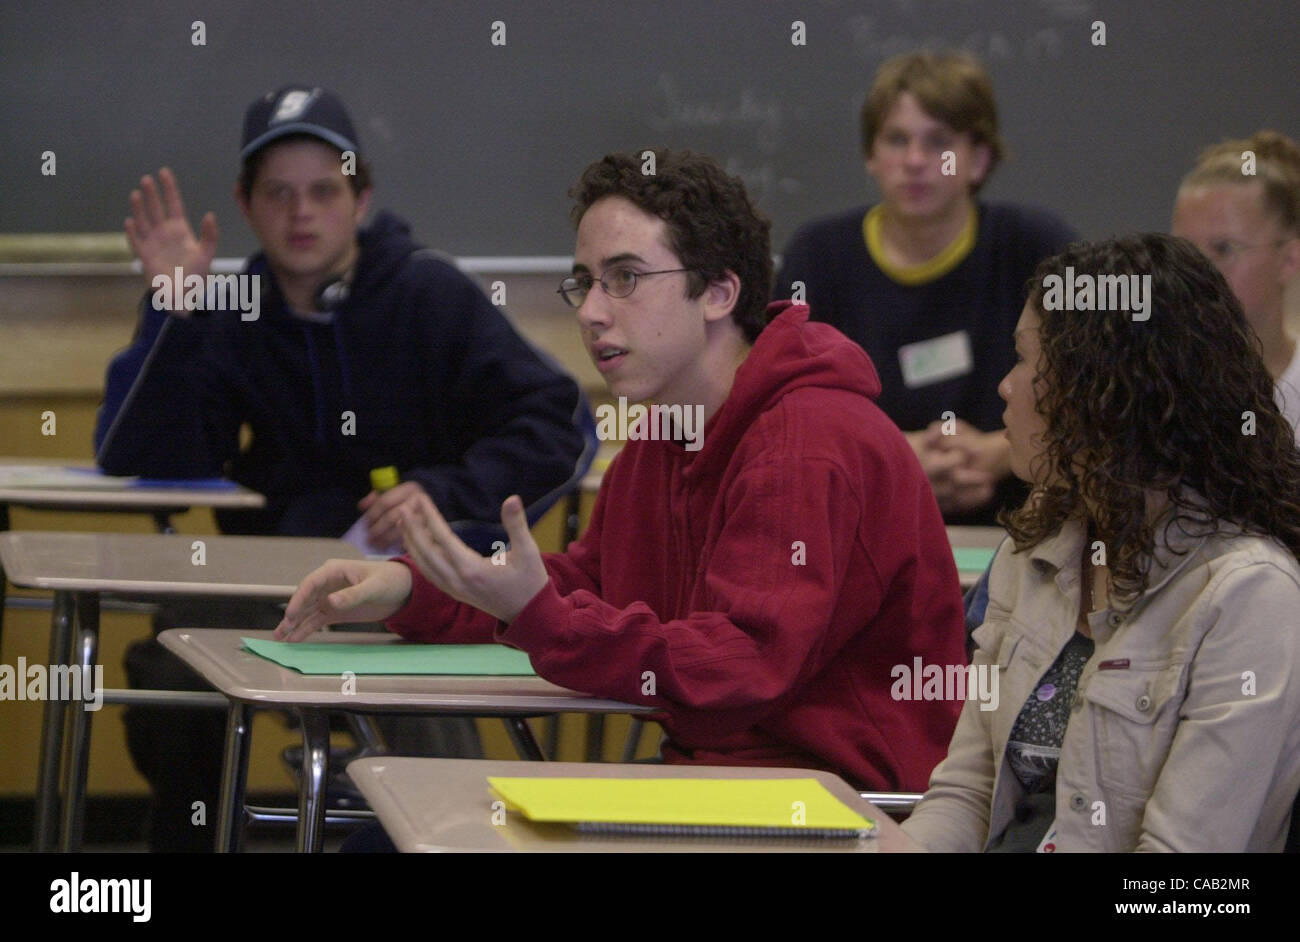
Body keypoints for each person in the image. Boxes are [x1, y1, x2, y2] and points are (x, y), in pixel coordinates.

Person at [277, 148, 968, 803]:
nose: (590, 312)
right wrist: (413, 588)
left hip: (842, 805)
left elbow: (739, 665)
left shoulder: (808, 444)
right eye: (585, 282)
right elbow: (592, 584)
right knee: (397, 831)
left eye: (626, 279)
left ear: (720, 292)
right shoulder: (664, 430)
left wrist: (538, 617)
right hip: (722, 780)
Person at [94, 85, 592, 851]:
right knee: (168, 670)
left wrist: (444, 492)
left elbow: (557, 419)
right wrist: (173, 309)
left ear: (361, 201)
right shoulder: (233, 308)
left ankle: (452, 838)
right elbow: (140, 455)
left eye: (324, 191)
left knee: (421, 705)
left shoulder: (429, 292)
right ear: (245, 204)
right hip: (273, 584)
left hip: (408, 588)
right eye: (278, 194)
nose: (302, 214)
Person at [902, 233, 1300, 852]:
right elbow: (968, 795)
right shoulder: (1034, 549)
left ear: (1103, 394)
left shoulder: (1248, 595)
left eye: (1025, 361)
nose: (1006, 387)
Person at [776, 50, 1076, 525]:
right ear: (871, 156)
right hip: (863, 524)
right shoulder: (819, 255)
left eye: (939, 143)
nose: (914, 161)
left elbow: (1098, 391)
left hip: (1024, 530)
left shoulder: (1035, 247)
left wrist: (1001, 452)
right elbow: (786, 410)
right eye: (896, 140)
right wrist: (893, 454)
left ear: (978, 160)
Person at [1172, 130, 1300, 439]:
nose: (1196, 271)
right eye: (1183, 251)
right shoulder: (1146, 394)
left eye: (1224, 249)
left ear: (1289, 261)